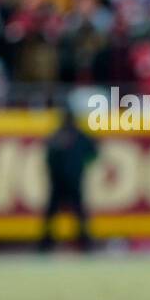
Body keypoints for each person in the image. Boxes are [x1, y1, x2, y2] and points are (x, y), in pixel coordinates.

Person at [39, 102, 98, 252]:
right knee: (65, 213)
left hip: (65, 182)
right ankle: (49, 243)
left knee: (73, 213)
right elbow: (93, 152)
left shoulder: (62, 136)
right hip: (65, 182)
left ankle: (50, 243)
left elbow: (93, 152)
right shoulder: (69, 136)